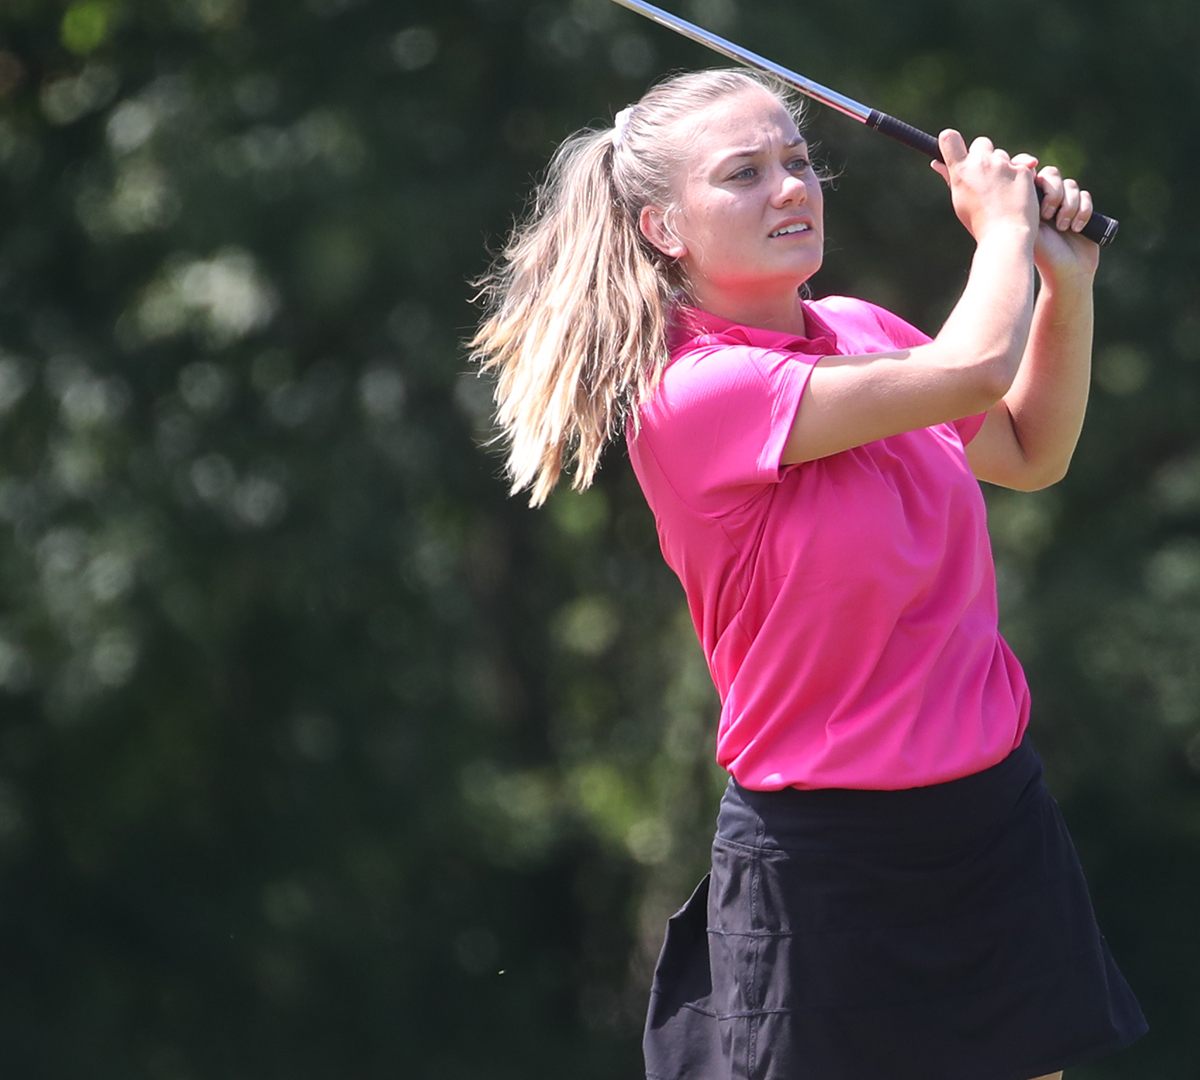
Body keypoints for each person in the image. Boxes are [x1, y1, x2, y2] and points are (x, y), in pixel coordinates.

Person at [471, 68, 1146, 1080]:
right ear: (664, 229)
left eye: (797, 160)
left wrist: (1067, 283)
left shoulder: (868, 333)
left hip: (990, 822)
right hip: (828, 856)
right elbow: (968, 372)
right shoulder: (697, 393)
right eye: (743, 174)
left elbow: (1030, 448)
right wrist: (1002, 229)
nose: (790, 187)